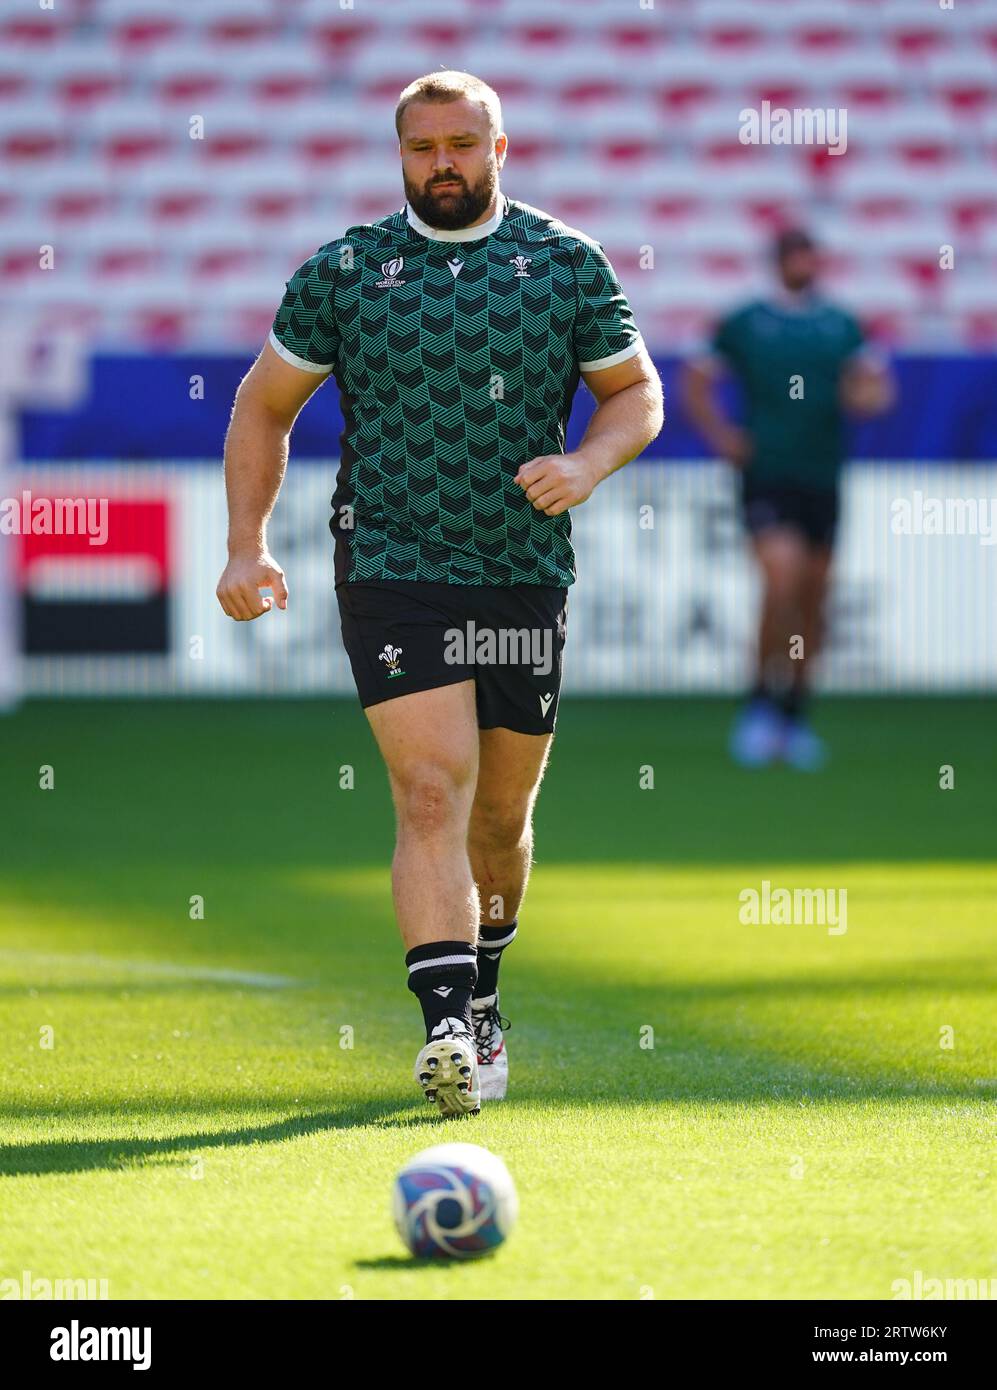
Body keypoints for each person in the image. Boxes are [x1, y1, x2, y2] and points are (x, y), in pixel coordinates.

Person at [216, 71, 663, 1114]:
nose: (442, 164)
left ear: (500, 148)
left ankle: (486, 988)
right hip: (391, 565)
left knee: (500, 818)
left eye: (463, 144)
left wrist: (589, 466)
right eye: (422, 148)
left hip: (521, 571)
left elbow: (633, 392)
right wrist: (247, 546)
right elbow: (261, 406)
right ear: (400, 154)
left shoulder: (563, 263)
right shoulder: (347, 269)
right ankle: (448, 1029)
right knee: (430, 790)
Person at [682, 228, 894, 769]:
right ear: (779, 262)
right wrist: (724, 438)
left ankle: (794, 716)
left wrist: (865, 394)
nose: (805, 265)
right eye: (796, 256)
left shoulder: (838, 323)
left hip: (821, 475)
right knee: (781, 580)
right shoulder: (748, 321)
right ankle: (758, 707)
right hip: (769, 473)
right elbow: (697, 379)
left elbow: (874, 387)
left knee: (814, 600)